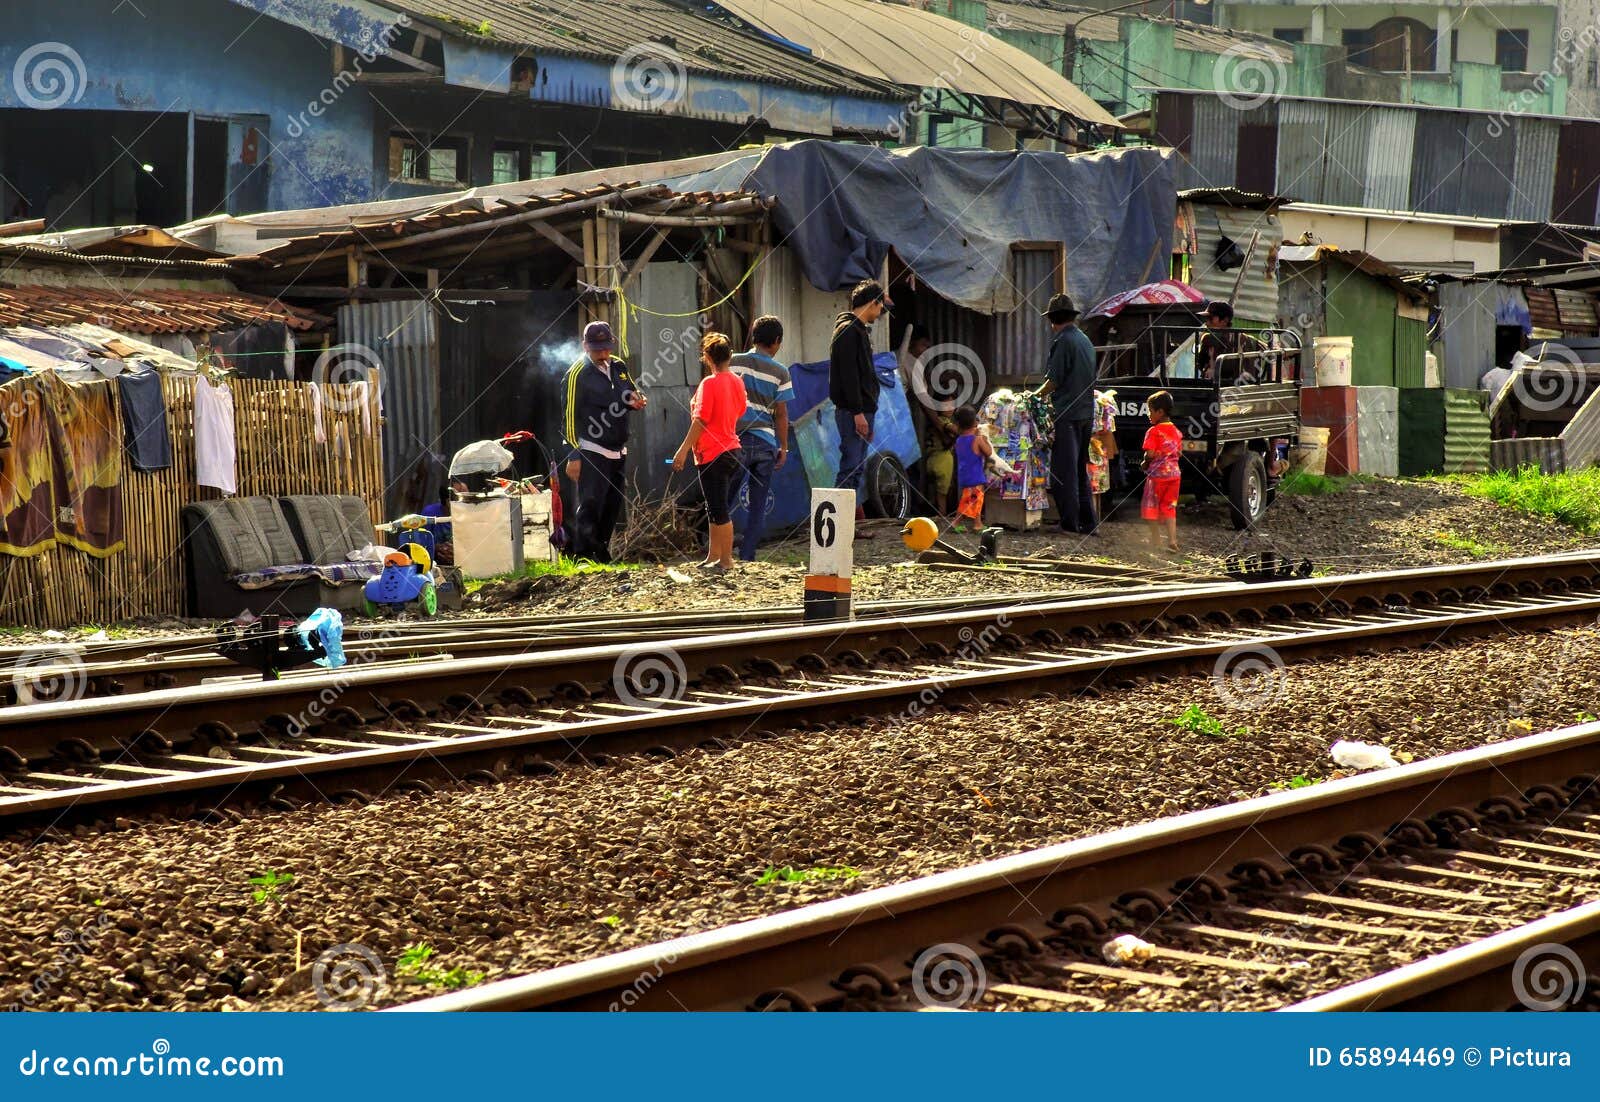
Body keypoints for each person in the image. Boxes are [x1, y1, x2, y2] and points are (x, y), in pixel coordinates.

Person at [562, 320, 647, 563]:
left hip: (618, 448)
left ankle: (601, 553)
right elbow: (567, 418)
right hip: (591, 448)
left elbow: (629, 391)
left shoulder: (619, 365)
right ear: (585, 346)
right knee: (590, 504)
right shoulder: (576, 374)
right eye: (597, 348)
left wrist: (635, 400)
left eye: (606, 347)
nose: (602, 353)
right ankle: (583, 555)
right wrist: (574, 455)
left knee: (612, 504)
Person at [674, 333, 747, 572]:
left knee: (718, 508)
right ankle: (713, 556)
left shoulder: (709, 383)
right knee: (714, 506)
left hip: (713, 454)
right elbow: (741, 410)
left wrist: (683, 450)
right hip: (733, 449)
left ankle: (725, 561)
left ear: (707, 357)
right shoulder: (736, 381)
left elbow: (701, 420)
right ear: (730, 355)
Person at [728, 316, 794, 562]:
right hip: (766, 444)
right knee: (758, 504)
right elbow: (781, 413)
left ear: (753, 337)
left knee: (724, 498)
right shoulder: (781, 372)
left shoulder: (733, 362)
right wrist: (783, 447)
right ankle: (747, 556)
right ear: (777, 341)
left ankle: (719, 550)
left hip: (736, 441)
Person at [831, 280, 891, 538]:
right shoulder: (848, 331)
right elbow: (848, 377)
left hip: (862, 411)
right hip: (853, 411)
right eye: (880, 306)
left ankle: (847, 528)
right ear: (873, 303)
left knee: (855, 470)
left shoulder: (857, 330)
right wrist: (858, 413)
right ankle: (838, 528)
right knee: (850, 469)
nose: (881, 312)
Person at [1033, 293, 1097, 535]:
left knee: (1064, 472)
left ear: (1053, 319)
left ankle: (1069, 523)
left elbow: (1053, 381)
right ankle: (1088, 522)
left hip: (1067, 415)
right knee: (1080, 470)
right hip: (1085, 413)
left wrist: (1033, 396)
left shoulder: (1063, 341)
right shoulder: (1084, 340)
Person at [1142, 390, 1184, 553]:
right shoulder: (1176, 431)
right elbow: (1179, 453)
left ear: (1160, 412)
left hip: (1157, 476)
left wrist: (1145, 463)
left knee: (1151, 506)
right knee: (1169, 507)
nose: (1148, 414)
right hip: (1174, 475)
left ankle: (1156, 539)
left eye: (1150, 411)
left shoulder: (1153, 431)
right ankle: (1173, 541)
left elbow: (1150, 453)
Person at [951, 405, 993, 533]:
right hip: (975, 476)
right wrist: (985, 439)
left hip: (964, 475)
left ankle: (977, 523)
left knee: (973, 500)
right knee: (972, 500)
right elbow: (989, 452)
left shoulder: (959, 440)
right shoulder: (977, 439)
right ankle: (957, 522)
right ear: (975, 422)